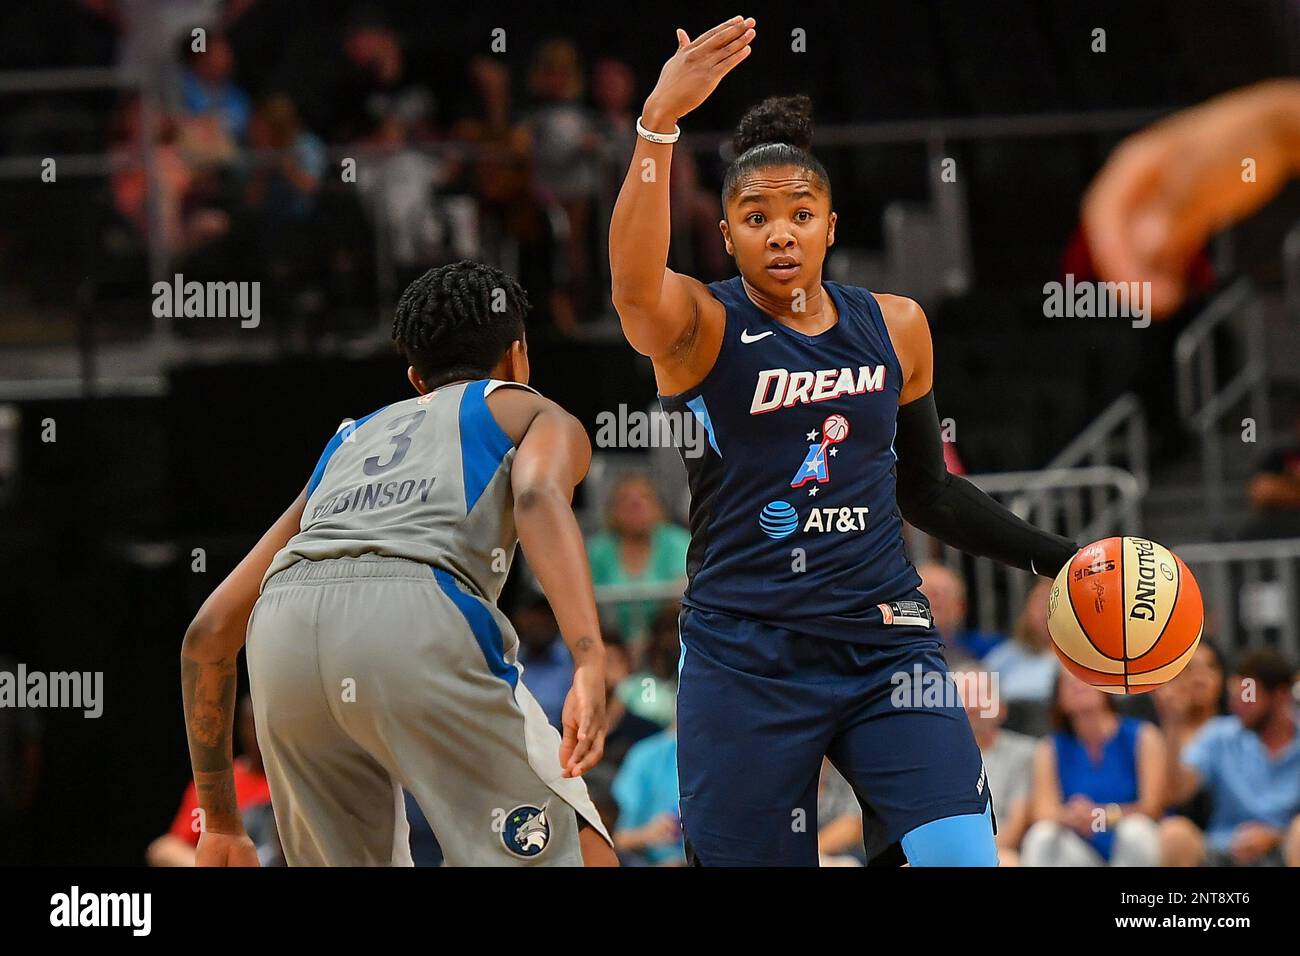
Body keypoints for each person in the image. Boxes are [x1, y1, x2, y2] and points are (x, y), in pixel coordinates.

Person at [607, 16, 1079, 866]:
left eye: (799, 214)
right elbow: (633, 286)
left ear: (830, 224)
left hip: (885, 641)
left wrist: (1061, 557)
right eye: (755, 217)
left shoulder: (896, 326)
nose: (779, 232)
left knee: (960, 857)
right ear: (726, 235)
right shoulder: (701, 326)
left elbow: (928, 491)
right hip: (746, 651)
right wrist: (657, 125)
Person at [180, 260, 615, 867]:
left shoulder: (348, 443)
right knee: (579, 855)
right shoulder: (526, 409)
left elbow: (207, 633)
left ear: (416, 379)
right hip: (415, 610)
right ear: (518, 356)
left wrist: (221, 823)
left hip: (281, 632)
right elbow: (539, 495)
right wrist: (589, 658)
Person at [1082, 78, 1300, 320]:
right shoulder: (1202, 214)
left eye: (1158, 260)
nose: (1169, 253)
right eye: (1170, 265)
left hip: (1269, 128)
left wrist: (1128, 267)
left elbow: (1106, 202)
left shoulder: (1150, 166)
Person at [1160, 648, 1300, 867]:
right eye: (1234, 695)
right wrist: (1173, 722)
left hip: (1284, 847)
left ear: (1280, 696)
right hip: (1224, 848)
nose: (1236, 704)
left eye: (1247, 695)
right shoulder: (1220, 735)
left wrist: (1277, 835)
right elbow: (1177, 792)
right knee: (1174, 832)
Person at [1021, 672, 1166, 867]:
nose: (1077, 687)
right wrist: (1073, 816)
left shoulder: (1143, 735)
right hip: (1079, 845)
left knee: (1136, 831)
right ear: (1059, 700)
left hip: (1126, 839)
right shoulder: (1050, 748)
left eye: (1084, 679)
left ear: (1106, 689)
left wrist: (1101, 816)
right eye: (1069, 683)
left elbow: (1152, 807)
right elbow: (1042, 812)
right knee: (1042, 835)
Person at [148, 697, 281, 867]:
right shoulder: (217, 783)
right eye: (255, 726)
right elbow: (166, 848)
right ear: (242, 727)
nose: (261, 735)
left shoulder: (297, 781)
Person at [586, 472, 690, 647]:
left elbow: (683, 597)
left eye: (645, 497)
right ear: (612, 511)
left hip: (670, 640)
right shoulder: (597, 550)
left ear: (659, 506)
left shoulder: (678, 541)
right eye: (625, 499)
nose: (636, 504)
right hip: (609, 642)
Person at [958, 670, 1037, 866]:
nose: (972, 707)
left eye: (979, 697)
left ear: (1001, 708)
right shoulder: (932, 758)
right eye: (963, 698)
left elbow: (1014, 829)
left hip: (1000, 849)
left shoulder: (1027, 753)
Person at [915, 561, 1006, 667]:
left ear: (960, 608)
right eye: (927, 591)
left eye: (944, 592)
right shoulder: (892, 649)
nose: (935, 598)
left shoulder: (987, 651)